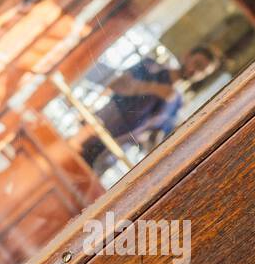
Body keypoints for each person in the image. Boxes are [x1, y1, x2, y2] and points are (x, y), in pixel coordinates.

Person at [82, 46, 221, 171]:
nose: (195, 71)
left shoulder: (177, 103)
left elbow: (155, 137)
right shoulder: (150, 66)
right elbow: (116, 85)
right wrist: (154, 88)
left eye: (202, 72)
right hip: (94, 130)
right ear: (187, 55)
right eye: (197, 64)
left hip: (110, 155)